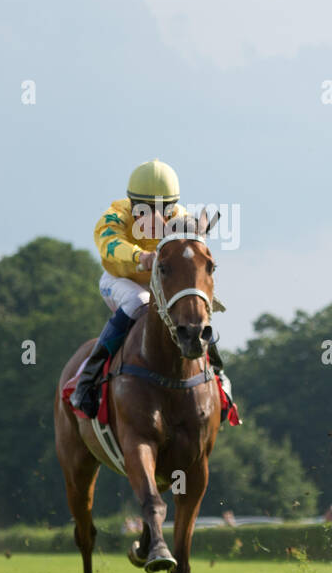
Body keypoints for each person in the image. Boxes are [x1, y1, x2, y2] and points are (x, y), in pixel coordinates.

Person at [71, 159, 231, 417]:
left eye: (162, 209)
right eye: (144, 209)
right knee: (138, 302)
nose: (153, 217)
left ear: (172, 206)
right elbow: (109, 245)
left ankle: (219, 377)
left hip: (160, 280)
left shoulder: (180, 218)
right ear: (132, 203)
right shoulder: (114, 216)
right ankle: (88, 378)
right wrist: (139, 256)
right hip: (120, 279)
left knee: (195, 306)